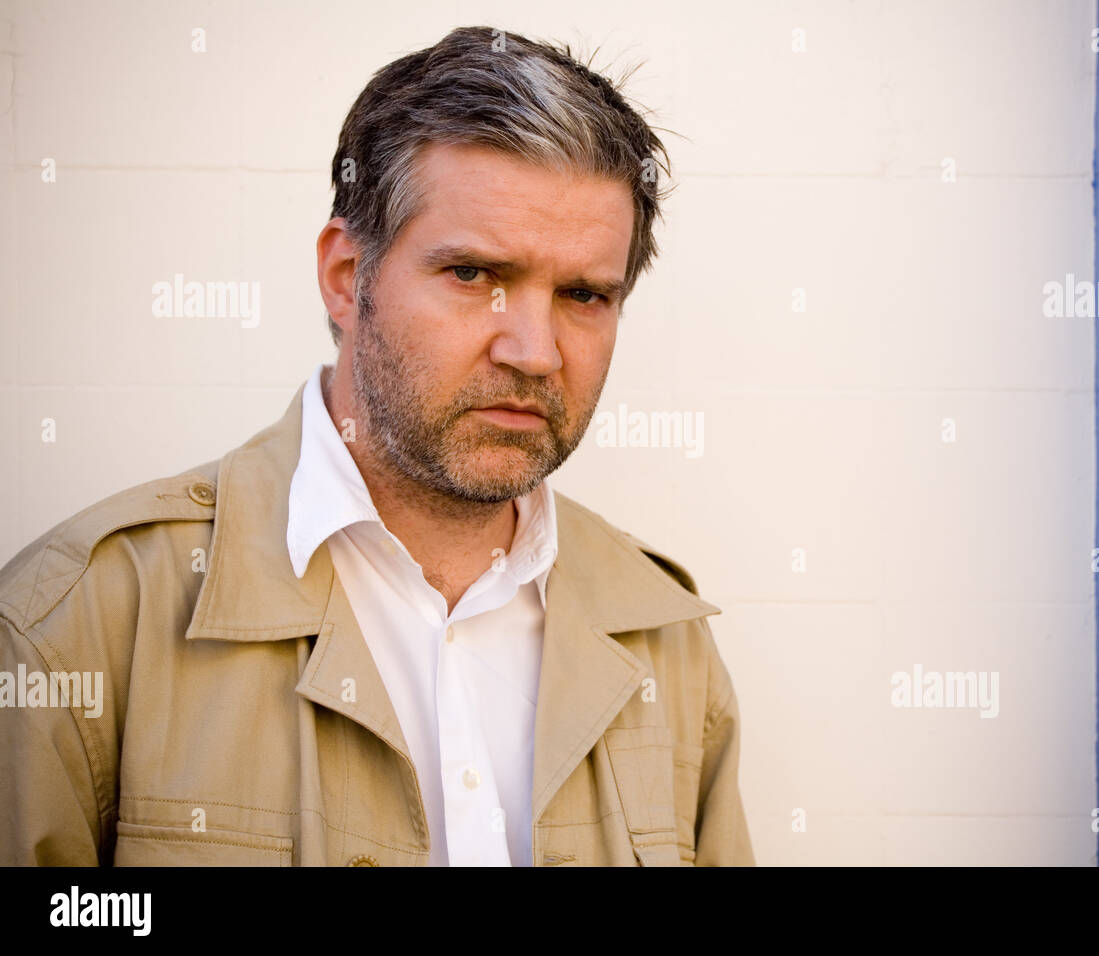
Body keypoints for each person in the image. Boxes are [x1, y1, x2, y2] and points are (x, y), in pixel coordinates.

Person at [0, 25, 754, 867]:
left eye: (583, 294)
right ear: (344, 275)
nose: (535, 351)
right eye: (473, 275)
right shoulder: (83, 622)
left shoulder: (667, 645)